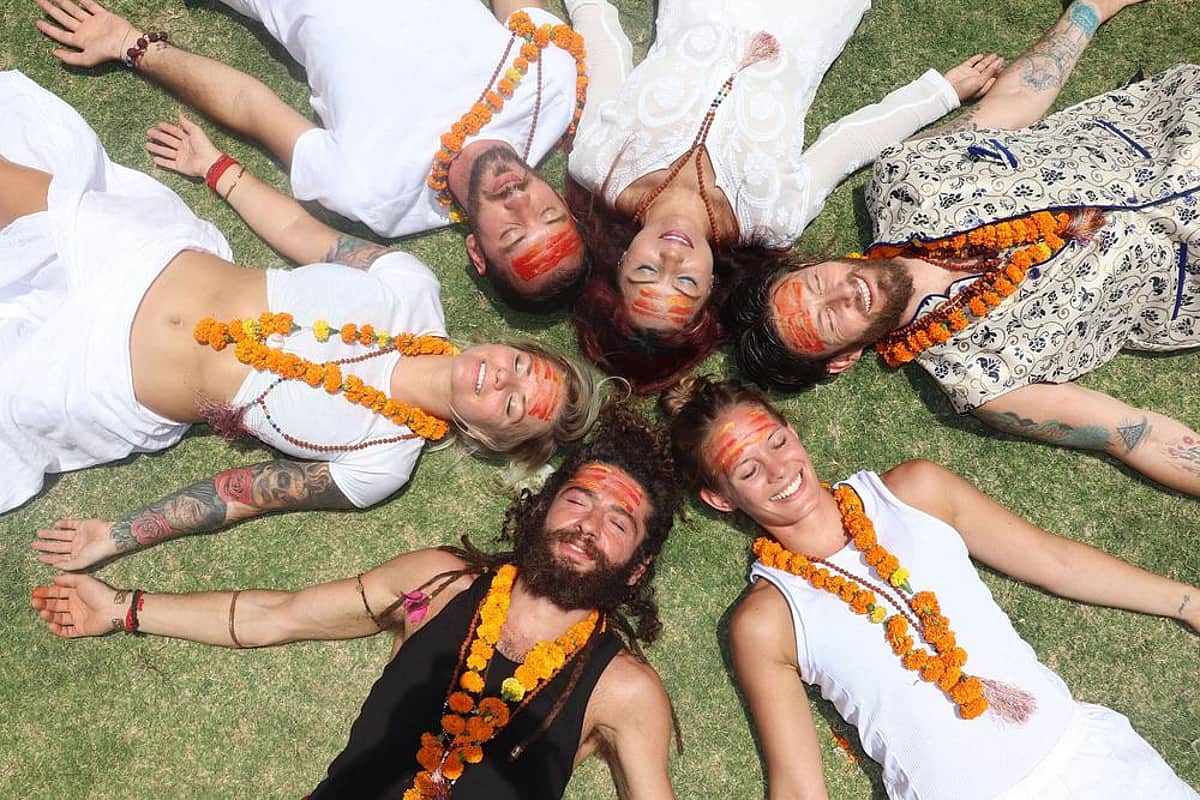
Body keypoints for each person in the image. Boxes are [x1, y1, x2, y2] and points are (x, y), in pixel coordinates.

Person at [0, 72, 601, 566]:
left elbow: (242, 494)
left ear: (491, 438)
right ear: (507, 344)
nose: (501, 379)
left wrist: (116, 535)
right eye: (520, 364)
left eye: (515, 405)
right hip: (137, 254)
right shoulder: (412, 287)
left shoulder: (379, 464)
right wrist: (218, 169)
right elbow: (300, 233)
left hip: (93, 379)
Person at [31, 408, 682, 800]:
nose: (589, 525)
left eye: (619, 522)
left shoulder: (623, 690)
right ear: (542, 507)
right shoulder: (442, 582)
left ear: (636, 569)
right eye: (579, 499)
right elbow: (278, 615)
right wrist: (123, 607)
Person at [726, 1, 1200, 495]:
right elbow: (1134, 433)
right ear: (841, 359)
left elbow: (1012, 102)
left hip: (1175, 126)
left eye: (816, 283)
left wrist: (1090, 10)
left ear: (816, 263)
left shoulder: (904, 179)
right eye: (826, 320)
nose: (841, 294)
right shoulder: (985, 381)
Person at [662, 375, 1199, 799]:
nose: (780, 470)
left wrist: (1186, 601)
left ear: (794, 433)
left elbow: (1054, 561)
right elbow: (800, 786)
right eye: (748, 470)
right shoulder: (767, 620)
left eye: (777, 442)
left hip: (1090, 763)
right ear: (721, 498)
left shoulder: (914, 492)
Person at [31, 0, 635, 310]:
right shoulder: (552, 86)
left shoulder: (375, 195)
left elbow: (253, 106)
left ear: (478, 251)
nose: (519, 203)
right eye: (548, 215)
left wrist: (130, 45)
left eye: (511, 236)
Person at [564, 0, 1007, 392]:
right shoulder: (773, 217)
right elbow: (846, 145)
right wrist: (941, 94)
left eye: (645, 270)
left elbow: (603, 43)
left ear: (622, 260)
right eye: (686, 282)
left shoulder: (596, 164)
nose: (671, 259)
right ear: (710, 286)